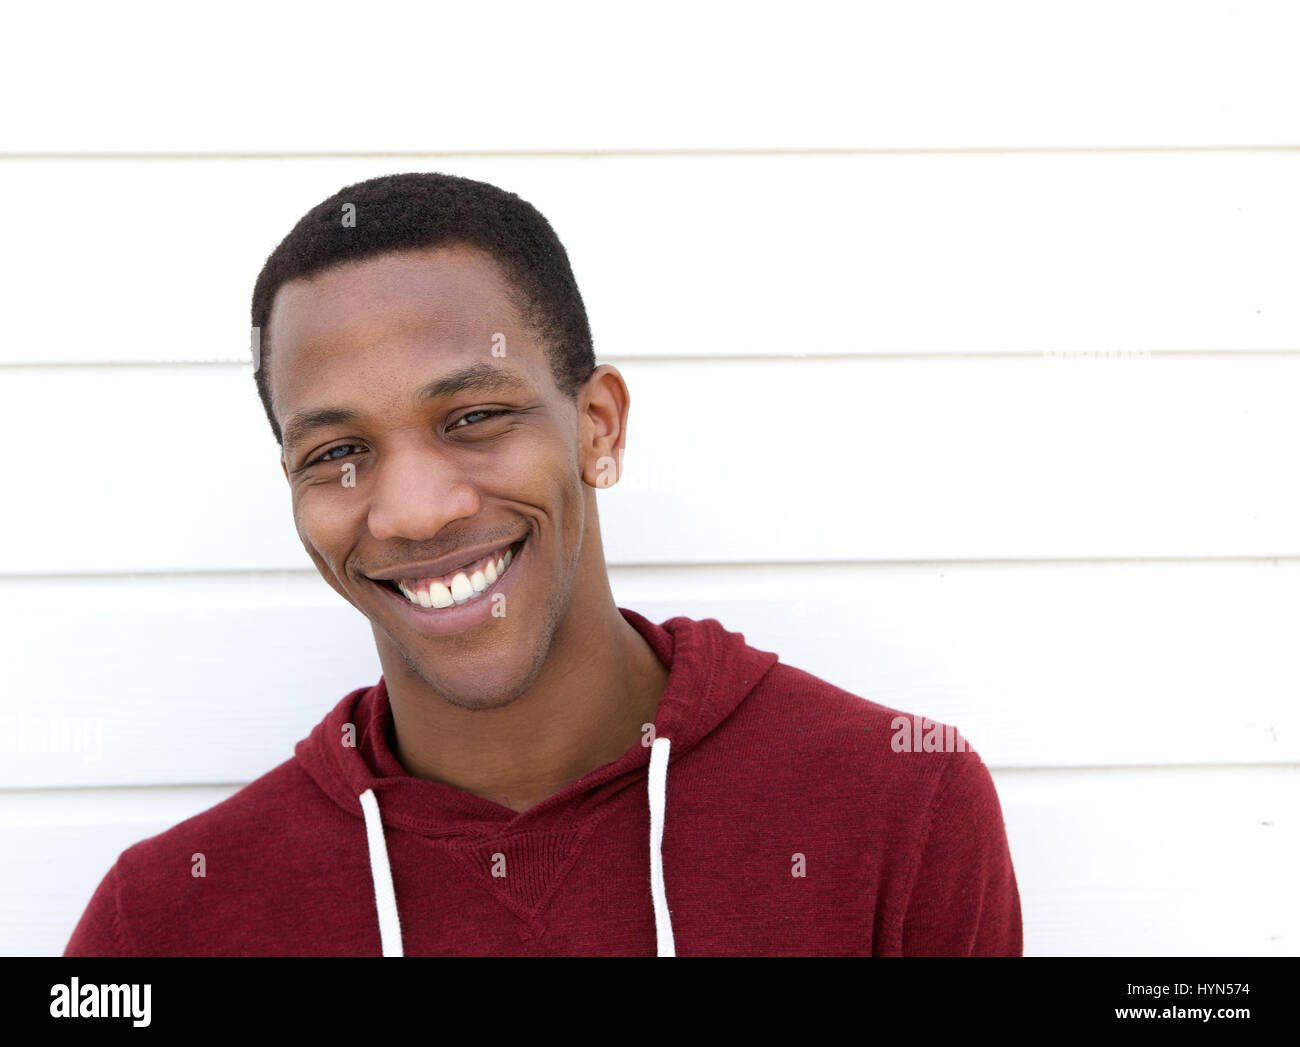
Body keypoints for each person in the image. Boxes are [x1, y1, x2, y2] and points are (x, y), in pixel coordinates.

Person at [65, 172, 1022, 956]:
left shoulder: (899, 807)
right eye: (336, 452)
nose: (411, 509)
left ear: (595, 426)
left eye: (473, 418)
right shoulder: (160, 923)